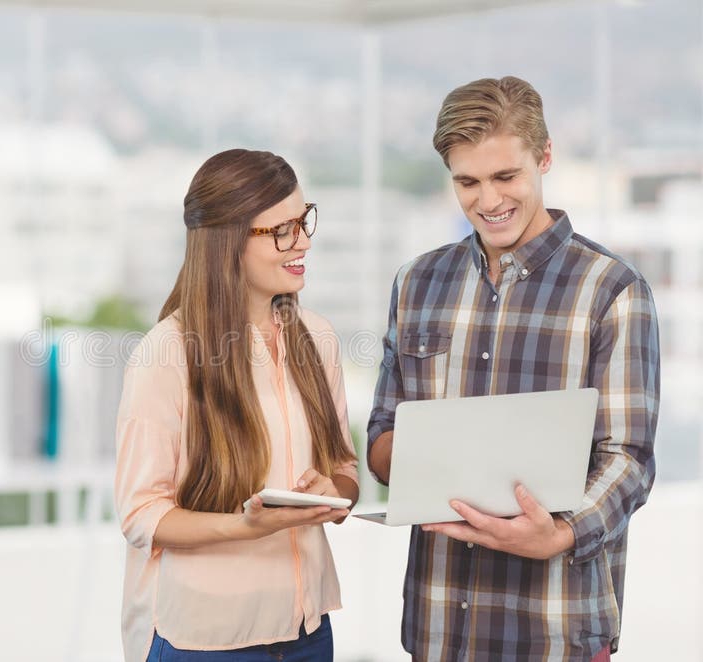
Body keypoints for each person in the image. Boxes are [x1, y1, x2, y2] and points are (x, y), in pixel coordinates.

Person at [366, 76, 660, 661]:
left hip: (555, 629)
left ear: (545, 156)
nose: (488, 200)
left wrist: (561, 532)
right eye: (467, 182)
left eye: (506, 176)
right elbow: (381, 434)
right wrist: (413, 457)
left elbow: (628, 458)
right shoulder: (417, 283)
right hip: (439, 628)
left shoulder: (612, 289)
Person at [115, 148, 360, 662]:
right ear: (228, 242)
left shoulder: (318, 339)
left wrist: (334, 493)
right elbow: (142, 514)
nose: (304, 241)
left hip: (308, 634)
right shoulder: (167, 353)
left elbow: (345, 470)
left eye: (304, 221)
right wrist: (244, 527)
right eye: (282, 231)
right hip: (206, 641)